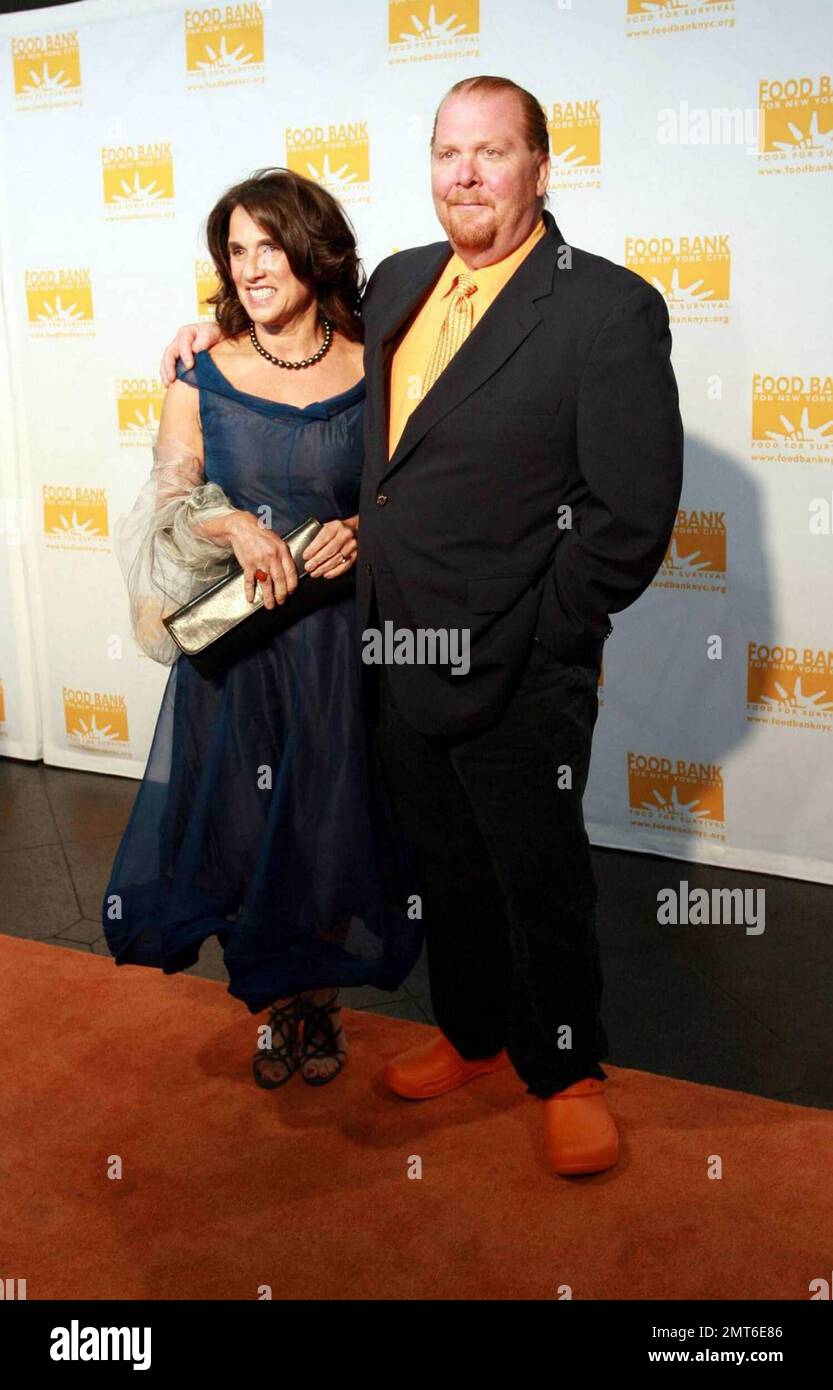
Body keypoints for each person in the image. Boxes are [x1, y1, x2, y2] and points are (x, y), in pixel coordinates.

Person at [161, 76, 684, 1175]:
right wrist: (200, 333)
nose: (465, 173)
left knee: (532, 870)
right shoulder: (399, 280)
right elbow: (291, 323)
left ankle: (566, 1067)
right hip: (390, 643)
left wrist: (550, 632)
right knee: (442, 863)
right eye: (448, 151)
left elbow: (627, 516)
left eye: (491, 153)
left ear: (540, 167)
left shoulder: (604, 306)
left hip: (521, 656)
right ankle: (476, 1034)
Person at [104, 168, 421, 1090]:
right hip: (240, 653)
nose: (249, 267)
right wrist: (229, 523)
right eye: (234, 251)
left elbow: (416, 487)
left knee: (329, 827)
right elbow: (165, 494)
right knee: (247, 829)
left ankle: (315, 1004)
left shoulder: (380, 361)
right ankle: (280, 1005)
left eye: (266, 246)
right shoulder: (196, 370)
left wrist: (367, 529)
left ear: (314, 249)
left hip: (341, 649)